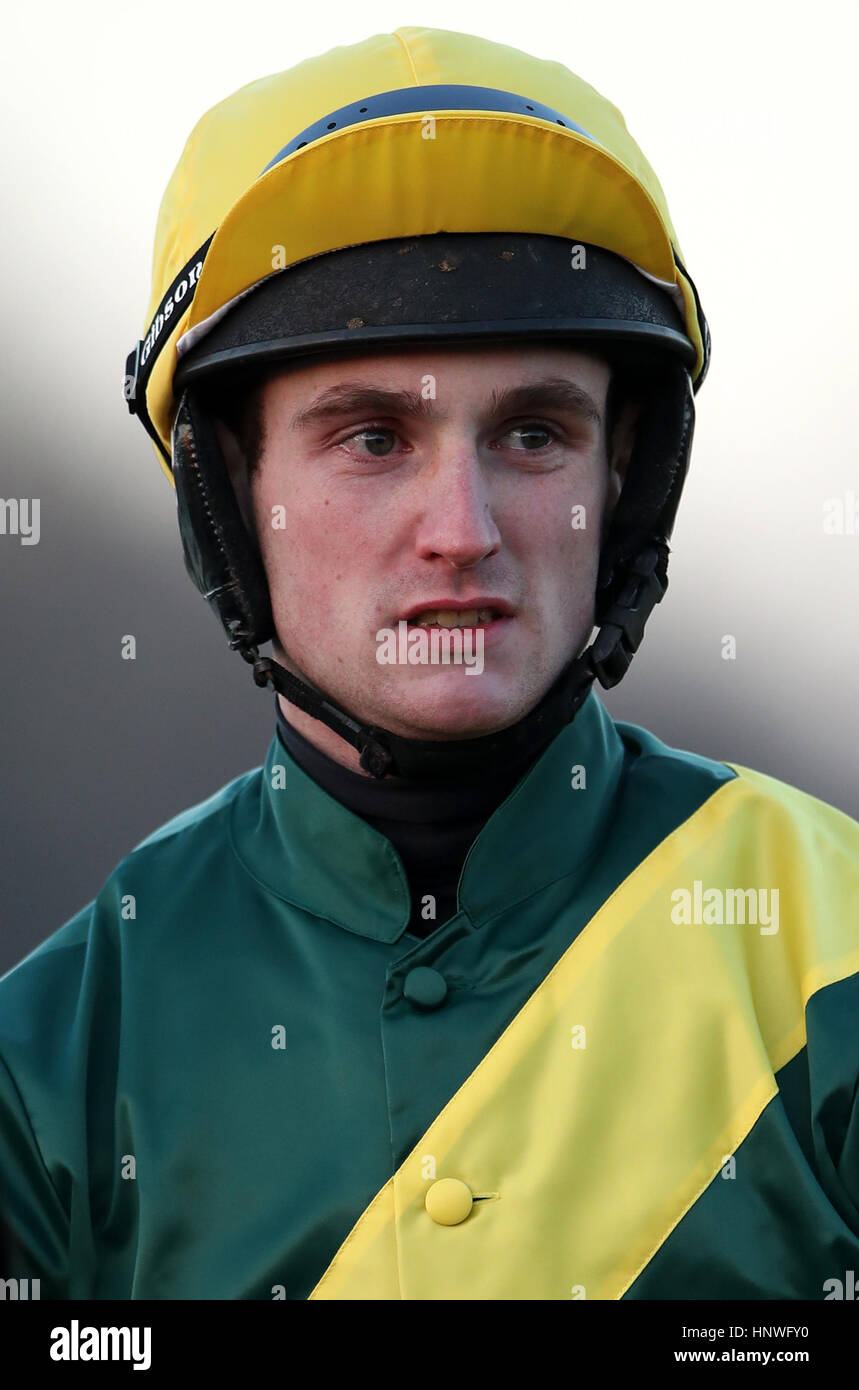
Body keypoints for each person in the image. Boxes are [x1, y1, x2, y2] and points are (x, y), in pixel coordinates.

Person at [0, 25, 857, 1303]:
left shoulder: (835, 955)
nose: (461, 530)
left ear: (619, 480)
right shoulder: (47, 1060)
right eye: (371, 437)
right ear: (234, 493)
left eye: (529, 432)